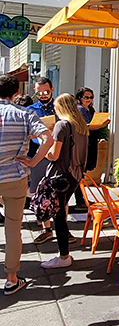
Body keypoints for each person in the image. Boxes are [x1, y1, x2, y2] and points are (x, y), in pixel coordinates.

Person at [0, 74, 53, 293]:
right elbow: (47, 138)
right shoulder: (24, 114)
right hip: (15, 175)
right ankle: (12, 277)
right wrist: (33, 161)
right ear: (17, 93)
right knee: (13, 227)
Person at [42, 94, 88, 270]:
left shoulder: (62, 125)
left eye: (55, 106)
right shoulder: (81, 125)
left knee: (59, 216)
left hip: (61, 174)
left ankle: (63, 256)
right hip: (75, 174)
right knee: (61, 212)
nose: (54, 109)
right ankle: (63, 254)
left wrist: (43, 143)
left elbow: (53, 155)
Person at [27, 77, 56, 245]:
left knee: (59, 191)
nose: (43, 95)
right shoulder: (31, 110)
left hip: (56, 154)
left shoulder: (59, 108)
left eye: (45, 91)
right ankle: (46, 228)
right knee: (39, 191)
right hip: (37, 154)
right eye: (39, 92)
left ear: (52, 89)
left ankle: (61, 228)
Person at [76, 87, 99, 173]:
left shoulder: (91, 109)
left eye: (91, 97)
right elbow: (84, 124)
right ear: (80, 97)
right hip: (84, 139)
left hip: (92, 137)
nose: (89, 99)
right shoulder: (80, 109)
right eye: (86, 97)